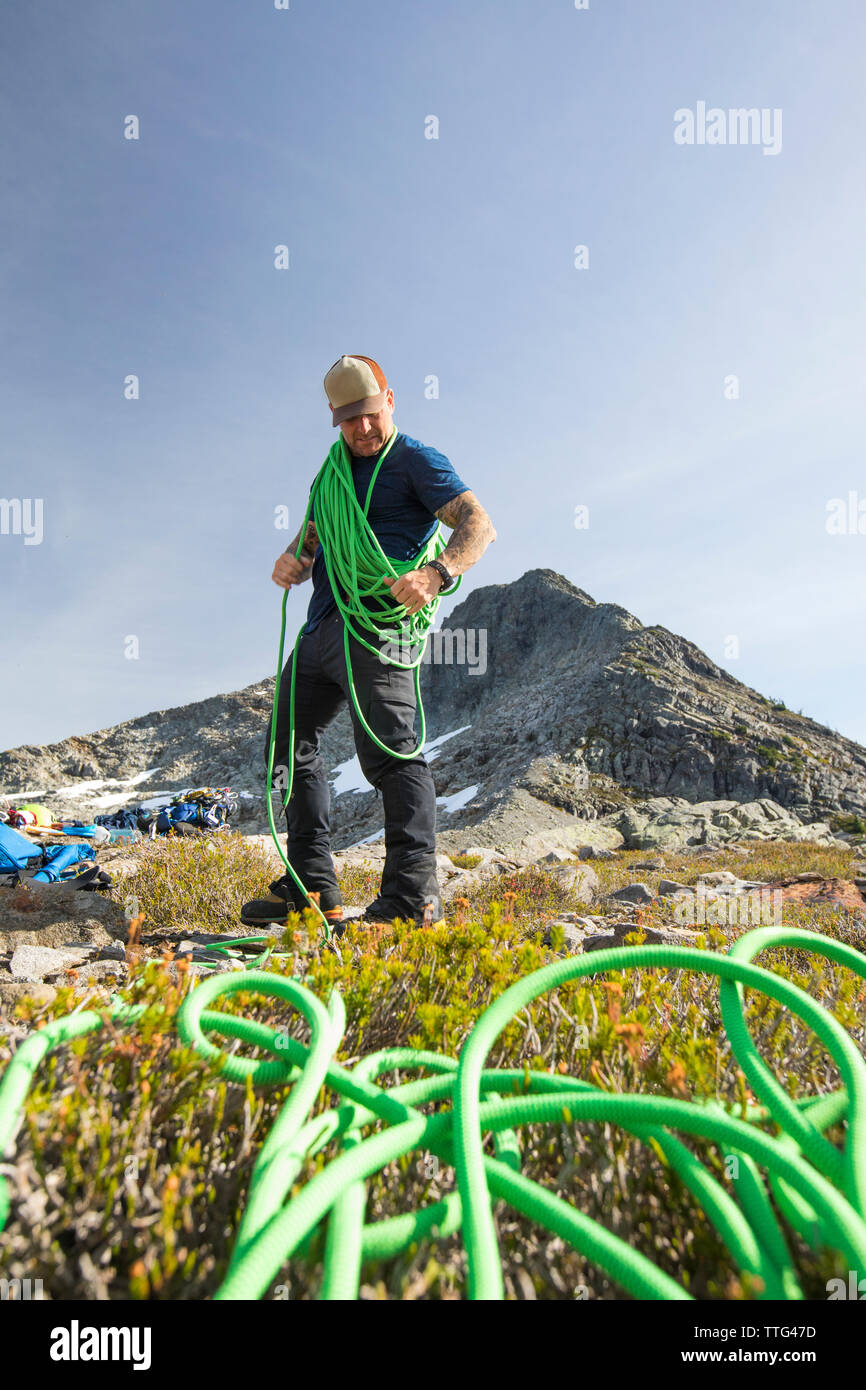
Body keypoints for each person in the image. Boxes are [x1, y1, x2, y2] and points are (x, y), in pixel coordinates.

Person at [241, 354, 496, 932]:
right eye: (348, 421)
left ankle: (410, 900)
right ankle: (311, 887)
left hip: (379, 629)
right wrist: (294, 561)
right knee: (286, 737)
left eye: (370, 415)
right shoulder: (329, 475)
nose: (362, 430)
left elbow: (478, 523)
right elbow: (311, 544)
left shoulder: (415, 461)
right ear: (335, 419)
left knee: (391, 754)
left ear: (390, 401)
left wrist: (438, 572)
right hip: (321, 627)